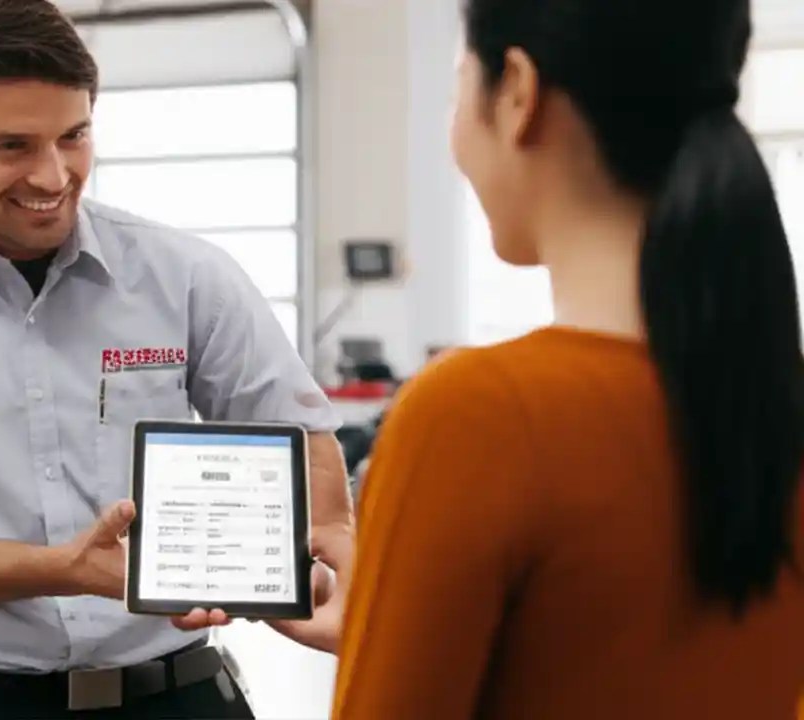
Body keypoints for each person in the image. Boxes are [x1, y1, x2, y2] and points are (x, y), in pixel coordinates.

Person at [0, 0, 353, 718]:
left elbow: (301, 441)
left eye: (74, 135)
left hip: (177, 697)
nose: (54, 175)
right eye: (12, 146)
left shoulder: (184, 273)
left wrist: (308, 563)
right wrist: (68, 572)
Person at [300, 1, 804, 718]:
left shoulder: (474, 417)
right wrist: (395, 626)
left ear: (516, 92)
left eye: (456, 89)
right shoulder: (776, 403)